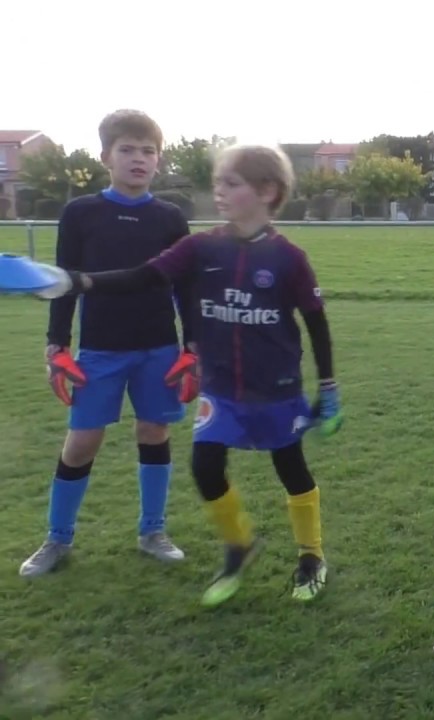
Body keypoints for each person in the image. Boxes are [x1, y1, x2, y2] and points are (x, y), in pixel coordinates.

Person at [31, 143, 343, 608]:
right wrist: (79, 282)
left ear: (267, 191)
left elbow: (316, 322)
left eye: (231, 183)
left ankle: (311, 556)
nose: (219, 191)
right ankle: (239, 546)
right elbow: (144, 276)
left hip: (275, 389)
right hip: (222, 388)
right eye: (218, 182)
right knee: (205, 466)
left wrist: (329, 388)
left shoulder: (288, 258)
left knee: (290, 468)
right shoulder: (201, 247)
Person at [21, 109, 197, 578]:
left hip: (158, 347)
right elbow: (64, 283)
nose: (139, 159)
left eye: (148, 151)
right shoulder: (81, 213)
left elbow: (185, 288)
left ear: (158, 160)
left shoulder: (170, 217)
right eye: (128, 150)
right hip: (99, 350)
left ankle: (153, 531)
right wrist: (56, 346)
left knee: (154, 432)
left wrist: (192, 346)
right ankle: (57, 539)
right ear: (106, 156)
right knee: (82, 442)